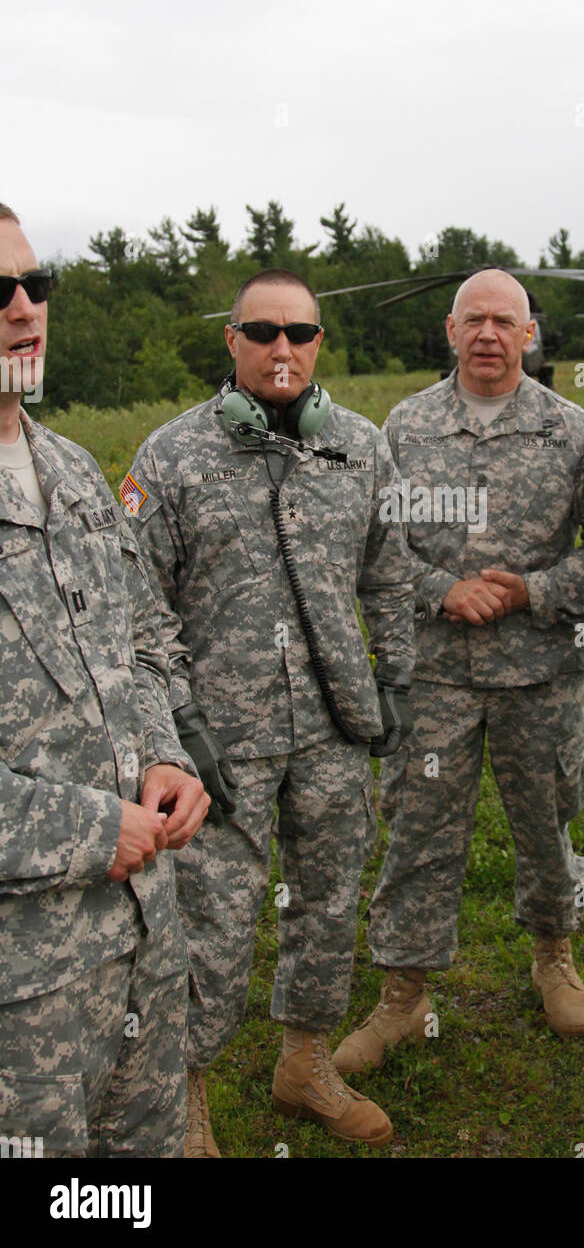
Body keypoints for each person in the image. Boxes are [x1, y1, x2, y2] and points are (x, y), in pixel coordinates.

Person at [125, 268, 415, 1154]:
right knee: (211, 923)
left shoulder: (362, 449)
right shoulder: (170, 458)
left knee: (327, 906)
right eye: (261, 332)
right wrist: (178, 724)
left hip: (332, 725)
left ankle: (305, 1062)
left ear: (321, 343)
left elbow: (390, 570)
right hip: (220, 747)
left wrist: (395, 678)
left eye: (300, 333)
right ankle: (186, 1098)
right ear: (232, 342)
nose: (281, 349)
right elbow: (139, 611)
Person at [334, 268, 584, 1076]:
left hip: (540, 674)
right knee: (418, 832)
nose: (489, 335)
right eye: (474, 321)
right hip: (437, 678)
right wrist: (439, 589)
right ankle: (403, 992)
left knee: (547, 825)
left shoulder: (573, 432)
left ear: (530, 335)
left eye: (506, 321)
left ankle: (554, 952)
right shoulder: (405, 428)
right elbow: (378, 545)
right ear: (451, 332)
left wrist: (536, 590)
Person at [0, 204, 209, 1158]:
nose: (22, 307)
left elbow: (140, 642)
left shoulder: (73, 471)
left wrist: (165, 752)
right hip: (23, 994)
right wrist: (91, 829)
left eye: (36, 285)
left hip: (140, 941)